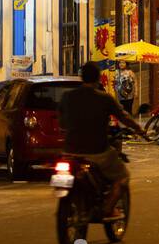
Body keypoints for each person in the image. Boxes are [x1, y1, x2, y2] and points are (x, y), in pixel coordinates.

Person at [59, 61, 147, 220]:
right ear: (98, 78)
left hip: (70, 150)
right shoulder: (105, 98)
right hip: (97, 151)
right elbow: (124, 117)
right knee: (122, 176)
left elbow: (62, 122)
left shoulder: (67, 96)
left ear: (81, 77)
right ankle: (107, 209)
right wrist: (139, 130)